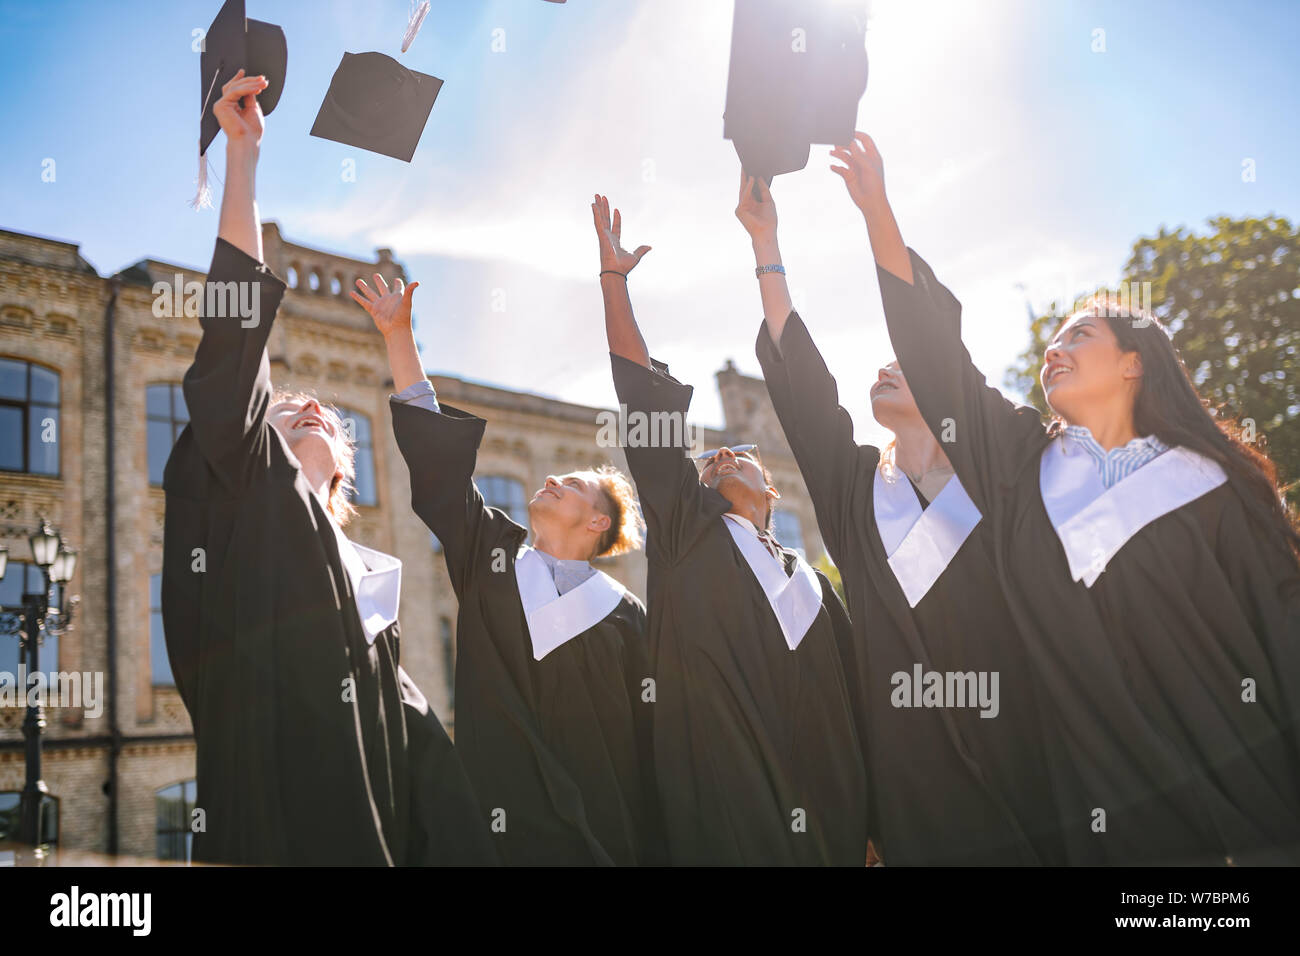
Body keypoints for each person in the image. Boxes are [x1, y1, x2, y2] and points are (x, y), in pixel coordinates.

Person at [850, 130, 1300, 864]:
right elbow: (943, 365)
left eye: (1079, 334)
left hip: (1248, 792)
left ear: (1132, 364)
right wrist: (879, 215)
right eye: (1050, 341)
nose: (1053, 349)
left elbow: (1285, 636)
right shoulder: (1024, 467)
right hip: (1103, 805)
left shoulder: (1214, 485)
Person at [162, 71, 493, 866]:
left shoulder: (371, 583)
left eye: (327, 417)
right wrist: (243, 159)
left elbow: (419, 757)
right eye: (285, 406)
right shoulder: (240, 489)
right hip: (267, 826)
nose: (307, 408)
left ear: (348, 472)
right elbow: (235, 340)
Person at [737, 169, 1061, 865]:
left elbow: (934, 342)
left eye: (903, 364)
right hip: (911, 781)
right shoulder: (856, 490)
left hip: (1027, 750)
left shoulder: (1003, 465)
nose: (886, 369)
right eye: (881, 365)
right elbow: (805, 394)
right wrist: (767, 243)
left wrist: (877, 211)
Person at [594, 194, 869, 865]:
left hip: (833, 824)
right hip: (726, 813)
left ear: (772, 488)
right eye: (707, 458)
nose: (716, 455)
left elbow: (861, 717)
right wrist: (614, 281)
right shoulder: (688, 529)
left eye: (734, 453)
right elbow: (642, 402)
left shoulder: (815, 587)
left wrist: (875, 826)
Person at [355, 275, 661, 865]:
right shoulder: (489, 556)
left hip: (608, 833)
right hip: (501, 823)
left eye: (572, 485)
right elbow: (440, 468)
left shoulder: (625, 615)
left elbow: (653, 738)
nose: (551, 480)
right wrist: (399, 336)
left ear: (599, 524)